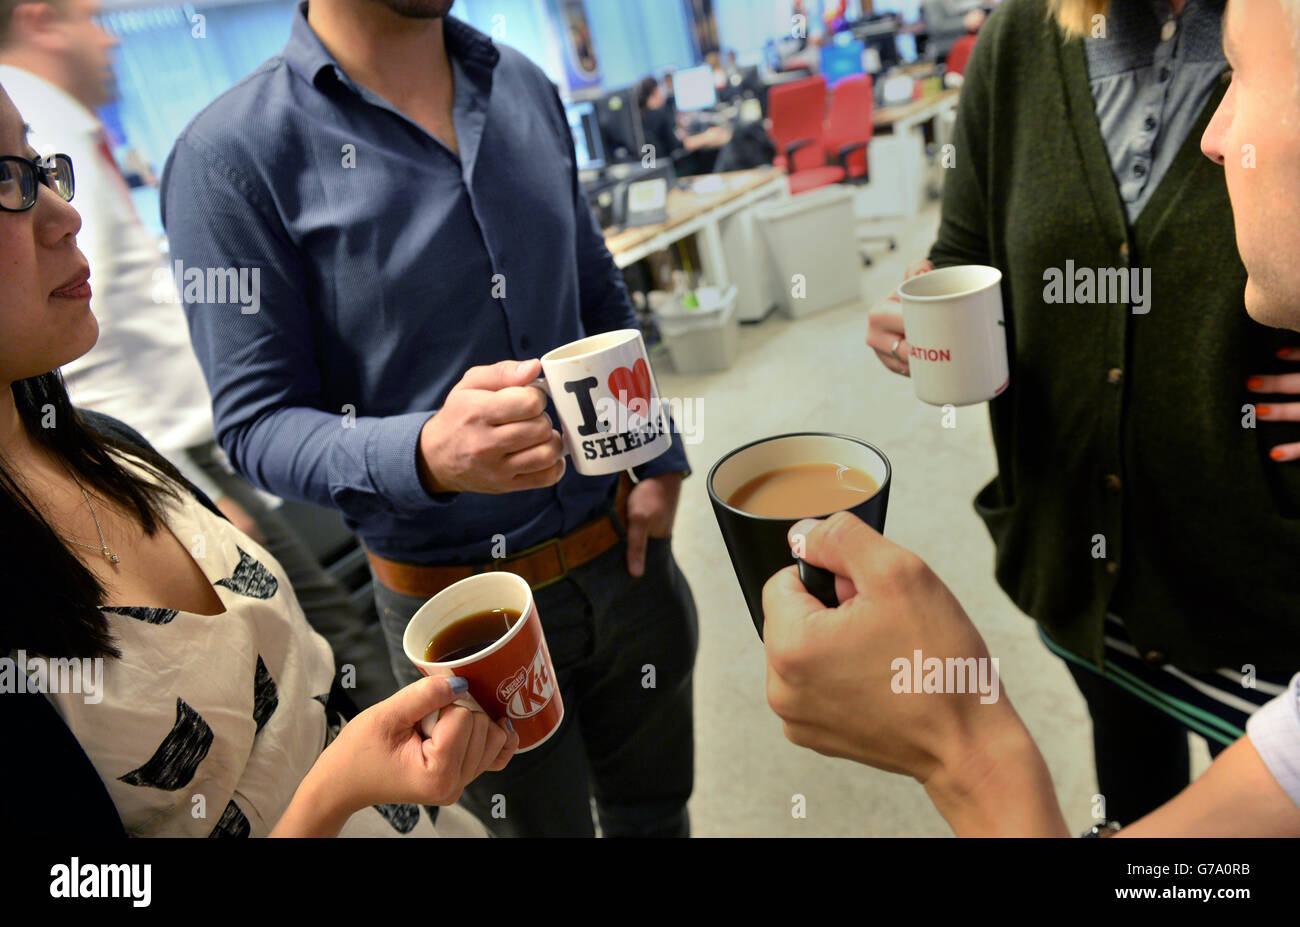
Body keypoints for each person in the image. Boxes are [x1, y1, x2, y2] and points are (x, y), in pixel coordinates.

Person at [761, 0, 1300, 837]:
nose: (1218, 136)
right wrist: (935, 316)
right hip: (1085, 567)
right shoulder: (1023, 40)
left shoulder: (1274, 25)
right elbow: (969, 251)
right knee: (1129, 795)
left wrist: (966, 755)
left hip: (1256, 596)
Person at [160, 0, 698, 838]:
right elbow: (257, 423)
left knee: (657, 812)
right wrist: (426, 452)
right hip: (461, 612)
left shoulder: (520, 82)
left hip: (622, 550)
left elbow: (591, 288)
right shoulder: (229, 159)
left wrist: (658, 451)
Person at [0, 85, 517, 837]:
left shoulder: (107, 445)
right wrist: (332, 794)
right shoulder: (231, 153)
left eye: (39, 166)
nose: (63, 213)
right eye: (4, 183)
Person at [0, 0, 398, 711]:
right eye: (95, 19)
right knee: (332, 664)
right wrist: (185, 491)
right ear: (41, 19)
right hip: (156, 457)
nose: (110, 41)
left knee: (313, 654)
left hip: (152, 453)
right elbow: (79, 370)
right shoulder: (30, 118)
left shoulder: (58, 132)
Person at [637, 75, 730, 173]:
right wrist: (707, 136)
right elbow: (680, 146)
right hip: (673, 169)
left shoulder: (641, 115)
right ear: (656, 91)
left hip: (654, 169)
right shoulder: (659, 114)